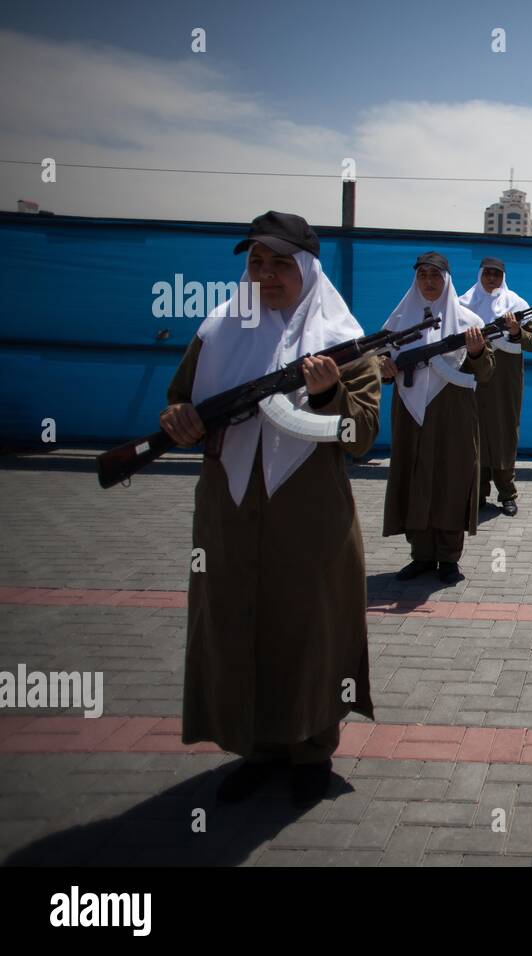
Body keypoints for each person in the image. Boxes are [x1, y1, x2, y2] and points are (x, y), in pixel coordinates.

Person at [159, 211, 381, 806]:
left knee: (309, 624)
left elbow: (359, 436)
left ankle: (312, 748)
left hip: (309, 514)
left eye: (281, 262)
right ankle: (256, 747)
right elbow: (181, 401)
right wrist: (176, 420)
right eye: (256, 261)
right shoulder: (217, 333)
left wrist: (328, 392)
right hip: (229, 510)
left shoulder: (344, 340)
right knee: (238, 619)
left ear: (306, 269)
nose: (266, 273)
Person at [381, 252, 493, 583]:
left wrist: (476, 352)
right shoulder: (398, 320)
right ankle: (422, 555)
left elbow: (486, 373)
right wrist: (383, 368)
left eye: (435, 276)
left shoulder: (468, 321)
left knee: (451, 478)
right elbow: (379, 363)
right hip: (410, 413)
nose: (429, 282)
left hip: (452, 410)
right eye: (423, 275)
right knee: (414, 475)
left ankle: (448, 557)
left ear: (447, 280)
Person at [459, 256, 532, 517]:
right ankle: (477, 493)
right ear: (479, 274)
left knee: (504, 431)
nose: (492, 278)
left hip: (506, 377)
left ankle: (507, 494)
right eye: (487, 273)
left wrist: (516, 332)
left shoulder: (517, 305)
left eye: (497, 274)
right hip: (473, 374)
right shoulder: (462, 305)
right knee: (474, 429)